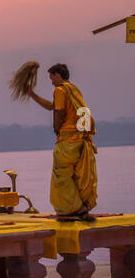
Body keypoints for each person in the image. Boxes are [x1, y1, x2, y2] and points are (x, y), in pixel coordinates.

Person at [11, 62, 96, 220]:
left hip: (68, 139)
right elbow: (52, 106)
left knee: (61, 174)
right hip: (78, 138)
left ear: (58, 75)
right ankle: (80, 207)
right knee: (72, 175)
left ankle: (74, 208)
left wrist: (57, 128)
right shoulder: (73, 89)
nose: (51, 82)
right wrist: (32, 94)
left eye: (51, 78)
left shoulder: (60, 90)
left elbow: (59, 111)